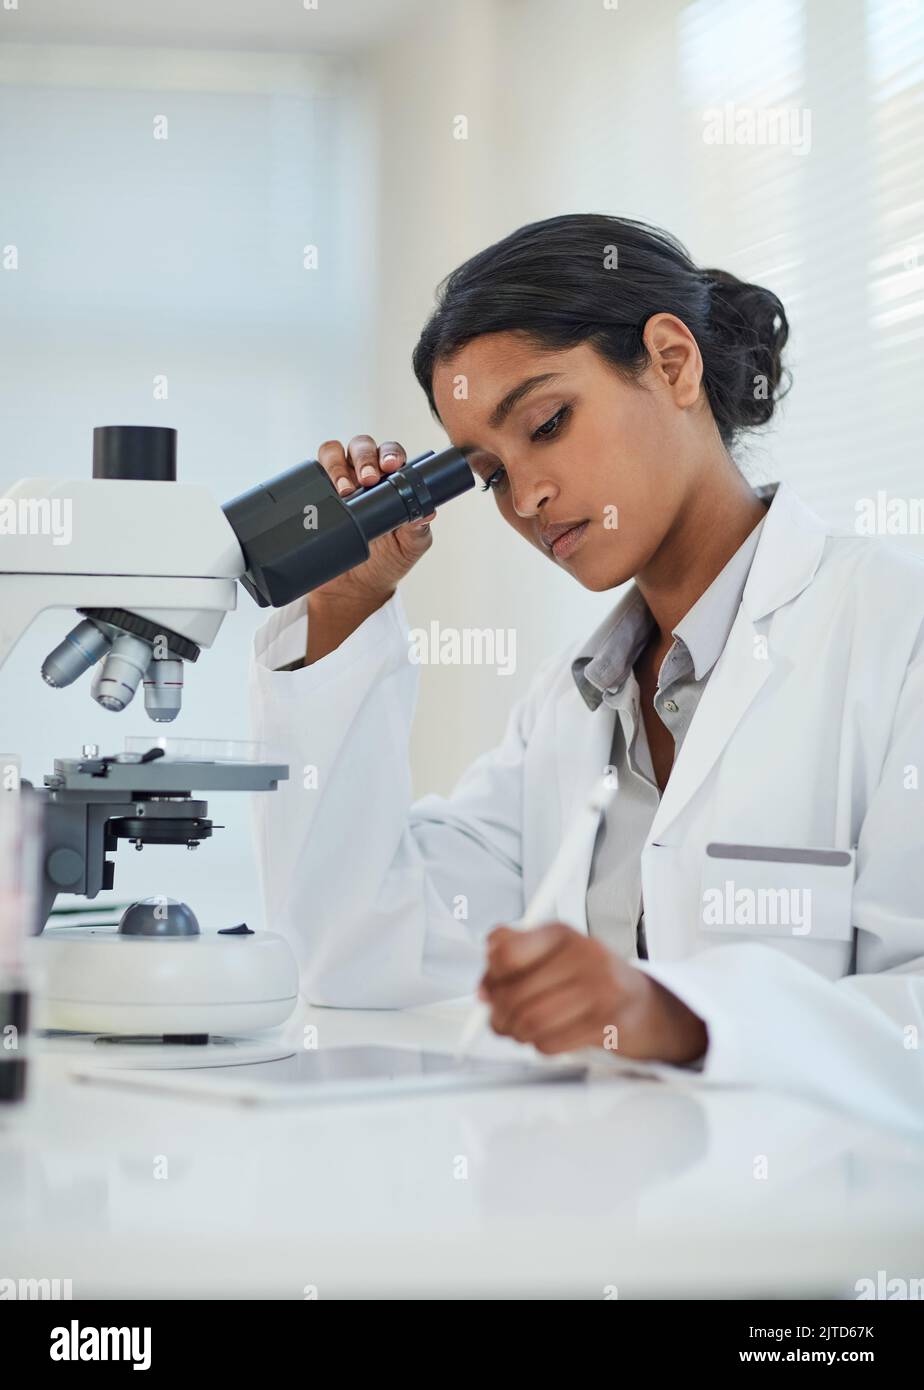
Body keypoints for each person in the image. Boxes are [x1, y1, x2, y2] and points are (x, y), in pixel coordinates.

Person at [250, 214, 924, 1132]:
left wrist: (678, 1018)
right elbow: (357, 948)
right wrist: (343, 607)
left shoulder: (893, 631)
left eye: (547, 423)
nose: (525, 497)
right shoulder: (575, 709)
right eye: (487, 474)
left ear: (673, 362)